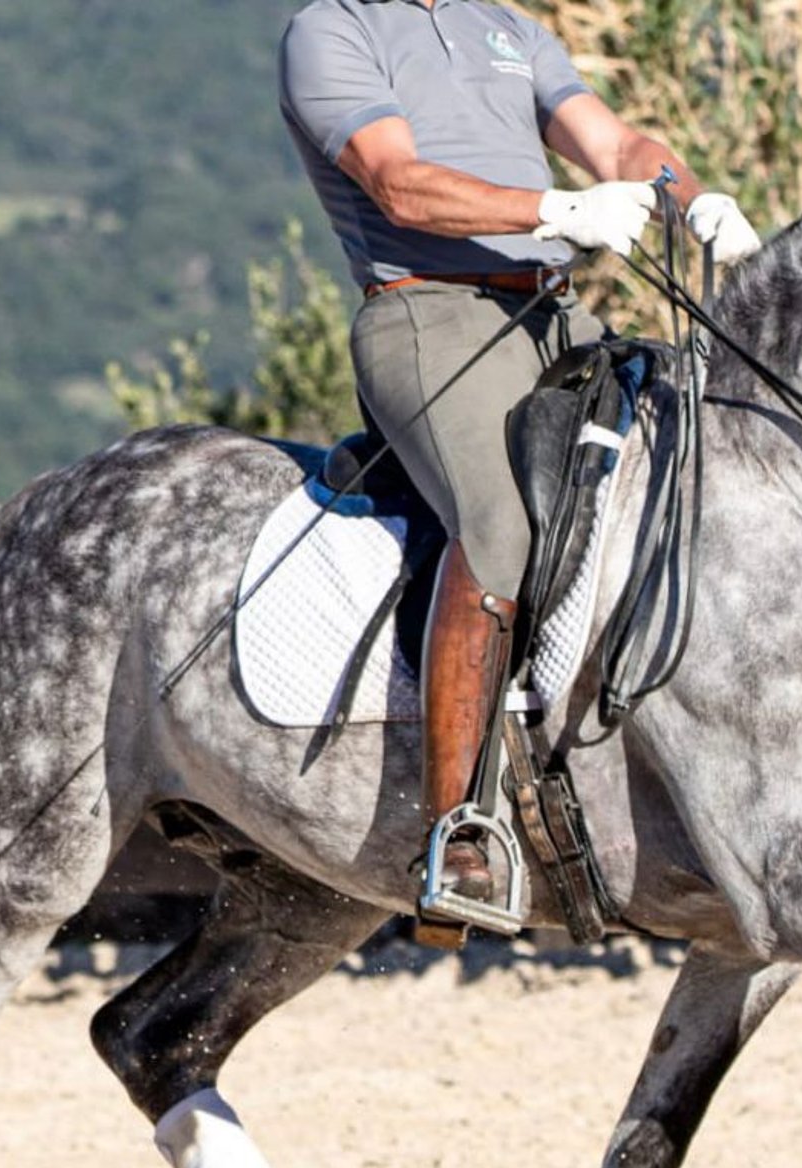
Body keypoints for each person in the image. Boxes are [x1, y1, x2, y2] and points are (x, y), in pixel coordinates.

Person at [279, 0, 761, 933]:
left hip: (549, 312)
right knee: (502, 527)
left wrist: (691, 195)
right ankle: (458, 832)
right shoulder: (331, 30)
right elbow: (401, 186)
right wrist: (553, 207)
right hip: (427, 315)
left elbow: (615, 144)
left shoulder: (505, 25)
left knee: (686, 463)